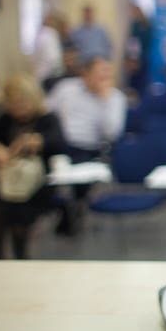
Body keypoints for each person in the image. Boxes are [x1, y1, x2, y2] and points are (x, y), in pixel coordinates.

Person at [0, 75, 65, 258]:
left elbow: (58, 142)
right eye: (13, 102)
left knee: (17, 212)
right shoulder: (6, 119)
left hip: (39, 181)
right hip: (10, 179)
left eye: (22, 102)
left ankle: (21, 257)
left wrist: (37, 142)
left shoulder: (47, 119)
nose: (18, 107)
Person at [46, 57, 126, 232]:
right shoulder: (65, 88)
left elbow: (112, 134)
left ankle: (75, 208)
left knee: (79, 181)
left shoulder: (115, 97)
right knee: (41, 176)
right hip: (58, 144)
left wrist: (105, 101)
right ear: (86, 74)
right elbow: (46, 113)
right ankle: (60, 206)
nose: (104, 78)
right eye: (100, 73)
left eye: (108, 73)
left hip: (89, 148)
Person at [124, 4, 152, 95]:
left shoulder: (145, 25)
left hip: (141, 58)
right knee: (136, 83)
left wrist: (135, 59)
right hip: (136, 59)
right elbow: (131, 42)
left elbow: (136, 43)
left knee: (141, 82)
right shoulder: (136, 25)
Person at [33, 13, 65, 84]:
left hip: (40, 72)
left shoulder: (40, 34)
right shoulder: (51, 33)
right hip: (50, 75)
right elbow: (54, 58)